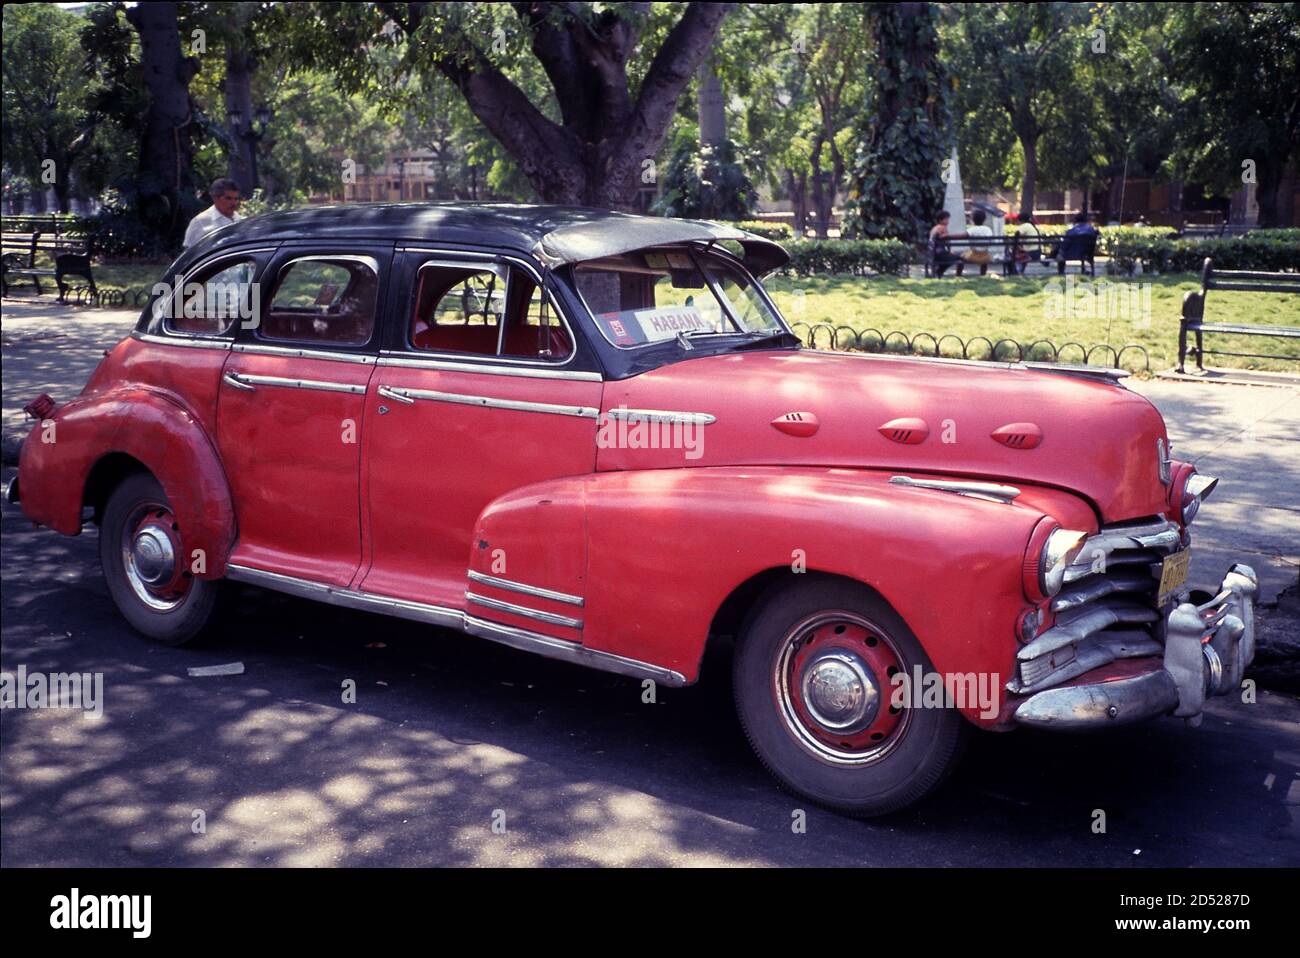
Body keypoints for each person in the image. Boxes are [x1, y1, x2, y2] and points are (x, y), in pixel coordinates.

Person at [184, 178, 242, 248]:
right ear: (215, 198)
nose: (234, 203)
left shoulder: (239, 219)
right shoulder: (200, 222)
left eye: (236, 199)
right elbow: (189, 253)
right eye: (228, 198)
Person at [928, 211, 965, 277]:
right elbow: (947, 242)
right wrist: (949, 251)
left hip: (932, 254)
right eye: (946, 219)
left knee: (951, 258)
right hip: (940, 255)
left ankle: (939, 272)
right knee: (961, 259)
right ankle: (958, 276)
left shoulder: (934, 228)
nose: (948, 221)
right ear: (940, 220)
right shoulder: (942, 228)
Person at [961, 209, 994, 275]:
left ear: (972, 219)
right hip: (986, 257)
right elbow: (990, 240)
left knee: (961, 258)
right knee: (984, 260)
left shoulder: (972, 229)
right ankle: (983, 275)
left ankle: (958, 275)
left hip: (973, 256)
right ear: (984, 219)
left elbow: (963, 236)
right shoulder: (988, 229)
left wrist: (948, 235)